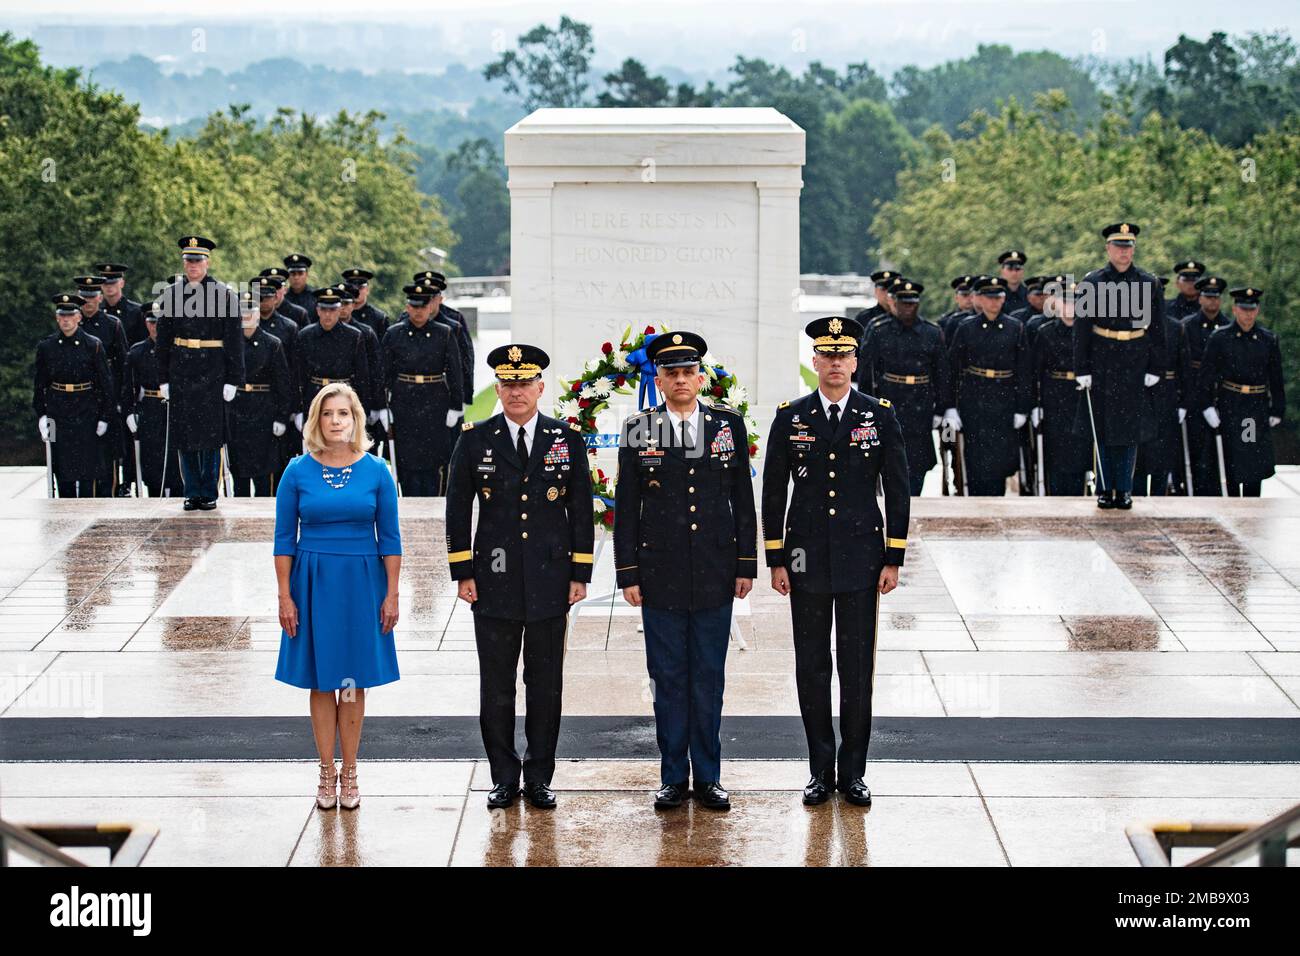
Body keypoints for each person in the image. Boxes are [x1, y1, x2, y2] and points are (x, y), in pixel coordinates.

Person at [762, 316, 910, 807]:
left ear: (855, 362)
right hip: (805, 559)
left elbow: (898, 488)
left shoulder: (879, 414)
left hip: (862, 559)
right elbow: (773, 489)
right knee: (812, 667)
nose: (835, 364)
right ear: (815, 361)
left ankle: (854, 772)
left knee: (856, 667)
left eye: (843, 356)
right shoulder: (792, 416)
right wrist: (776, 557)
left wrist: (894, 556)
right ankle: (819, 771)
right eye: (826, 356)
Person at [613, 330, 757, 812]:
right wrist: (628, 573)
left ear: (700, 377)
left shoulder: (726, 426)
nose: (679, 380)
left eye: (687, 372)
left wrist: (745, 565)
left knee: (709, 677)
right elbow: (627, 506)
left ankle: (710, 776)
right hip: (660, 574)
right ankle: (674, 776)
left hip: (715, 571)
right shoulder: (639, 428)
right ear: (658, 377)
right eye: (670, 372)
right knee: (668, 676)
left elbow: (743, 499)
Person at [446, 344, 594, 810]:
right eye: (507, 384)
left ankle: (539, 776)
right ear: (498, 388)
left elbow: (581, 510)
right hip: (494, 580)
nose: (515, 392)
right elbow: (457, 510)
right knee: (497, 684)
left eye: (524, 383)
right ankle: (504, 776)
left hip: (551, 580)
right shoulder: (474, 439)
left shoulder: (564, 438)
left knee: (546, 683)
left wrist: (580, 573)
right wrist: (462, 571)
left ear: (539, 388)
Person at [274, 383, 401, 811]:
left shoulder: (378, 471)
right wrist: (284, 596)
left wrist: (392, 595)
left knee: (351, 682)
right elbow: (283, 540)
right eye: (327, 414)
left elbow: (391, 540)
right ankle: (325, 771)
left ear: (356, 419)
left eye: (343, 413)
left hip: (362, 585)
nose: (335, 421)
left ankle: (351, 771)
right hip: (311, 584)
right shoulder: (296, 471)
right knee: (321, 679)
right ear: (316, 421)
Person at [1072, 221, 1166, 510]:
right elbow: (1082, 329)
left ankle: (1123, 488)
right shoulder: (1093, 282)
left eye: (1128, 247)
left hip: (1134, 359)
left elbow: (1159, 330)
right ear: (1108, 248)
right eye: (1118, 246)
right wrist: (1082, 369)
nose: (1123, 252)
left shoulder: (1148, 283)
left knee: (1128, 429)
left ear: (1133, 248)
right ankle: (1104, 488)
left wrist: (1155, 368)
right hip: (1102, 359)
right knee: (1102, 427)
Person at [154, 236, 244, 511]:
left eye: (197, 260)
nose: (193, 266)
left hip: (212, 371)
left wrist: (233, 380)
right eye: (188, 261)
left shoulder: (223, 294)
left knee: (210, 436)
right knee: (185, 434)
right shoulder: (172, 294)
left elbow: (234, 340)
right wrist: (163, 379)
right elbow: (163, 341)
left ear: (207, 262)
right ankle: (191, 490)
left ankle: (209, 491)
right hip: (182, 369)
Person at [942, 275, 1031, 495]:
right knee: (975, 457)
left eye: (998, 297)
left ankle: (995, 500)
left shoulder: (1015, 327)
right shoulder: (966, 327)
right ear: (979, 299)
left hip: (1004, 398)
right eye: (989, 298)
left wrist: (1023, 407)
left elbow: (1024, 371)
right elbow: (952, 369)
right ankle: (975, 502)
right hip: (975, 397)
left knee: (1000, 459)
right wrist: (950, 406)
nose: (994, 302)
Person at [857, 279, 948, 495]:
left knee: (918, 460)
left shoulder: (931, 332)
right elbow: (867, 372)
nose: (908, 307)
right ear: (894, 302)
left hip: (920, 402)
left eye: (912, 303)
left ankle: (913, 499)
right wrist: (866, 405)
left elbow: (942, 372)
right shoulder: (879, 329)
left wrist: (941, 408)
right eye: (904, 303)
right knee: (889, 456)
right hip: (890, 399)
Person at [1196, 287, 1285, 497]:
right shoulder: (1221, 337)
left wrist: (1277, 409)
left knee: (1251, 455)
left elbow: (1276, 377)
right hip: (1230, 404)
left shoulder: (1267, 339)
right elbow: (1206, 376)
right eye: (1243, 309)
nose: (1248, 314)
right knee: (1231, 458)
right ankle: (1233, 504)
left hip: (1253, 407)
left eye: (1252, 310)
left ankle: (1252, 503)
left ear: (1257, 310)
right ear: (1235, 309)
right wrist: (1207, 405)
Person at [380, 283, 464, 495]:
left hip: (435, 401)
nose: (418, 311)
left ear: (430, 307)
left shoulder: (444, 333)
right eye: (414, 306)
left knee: (435, 459)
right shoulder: (394, 334)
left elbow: (455, 371)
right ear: (407, 307)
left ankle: (435, 501)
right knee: (406, 460)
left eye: (422, 306)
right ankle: (409, 501)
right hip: (404, 401)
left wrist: (456, 406)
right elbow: (385, 373)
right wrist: (383, 406)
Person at [33, 293, 113, 497]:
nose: (66, 320)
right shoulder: (47, 347)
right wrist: (41, 414)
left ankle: (86, 510)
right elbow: (40, 383)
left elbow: (105, 384)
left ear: (78, 317)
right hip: (59, 409)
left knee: (87, 468)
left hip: (86, 409)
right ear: (57, 318)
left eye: (70, 316)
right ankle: (65, 510)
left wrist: (104, 416)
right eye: (62, 316)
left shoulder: (92, 345)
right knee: (62, 467)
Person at [1030, 280, 1094, 495]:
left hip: (1079, 395)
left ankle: (1078, 494)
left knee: (1079, 452)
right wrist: (1035, 404)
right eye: (1066, 301)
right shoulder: (1045, 332)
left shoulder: (1089, 332)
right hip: (1054, 396)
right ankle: (1055, 495)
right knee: (1056, 452)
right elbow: (1035, 371)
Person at [228, 292, 292, 496]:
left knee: (264, 476)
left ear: (257, 315)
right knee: (239, 474)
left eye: (251, 312)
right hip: (236, 409)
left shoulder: (272, 344)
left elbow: (282, 384)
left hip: (263, 411)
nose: (247, 317)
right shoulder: (228, 344)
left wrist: (282, 417)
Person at [72, 274, 129, 496]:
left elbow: (123, 364)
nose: (88, 302)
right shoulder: (74, 324)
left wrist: (121, 399)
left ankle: (110, 494)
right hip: (82, 396)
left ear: (99, 298)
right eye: (84, 298)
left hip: (107, 393)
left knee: (108, 453)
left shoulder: (112, 324)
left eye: (92, 297)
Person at [122, 301, 181, 497]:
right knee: (152, 462)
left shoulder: (178, 349)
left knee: (176, 460)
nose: (156, 327)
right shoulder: (137, 352)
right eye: (152, 322)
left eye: (159, 322)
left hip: (175, 408)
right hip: (149, 408)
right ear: (147, 324)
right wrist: (130, 412)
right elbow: (129, 386)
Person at [292, 287, 370, 433]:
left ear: (339, 310)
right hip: (314, 395)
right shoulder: (305, 336)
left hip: (344, 395)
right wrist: (297, 409)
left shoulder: (353, 336)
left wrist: (362, 409)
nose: (328, 314)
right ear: (318, 310)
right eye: (324, 309)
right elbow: (298, 375)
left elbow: (362, 376)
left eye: (332, 310)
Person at [1181, 275, 1232, 495]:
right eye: (1207, 297)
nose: (1212, 302)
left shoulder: (1228, 326)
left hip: (1220, 394)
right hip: (1193, 393)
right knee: (1196, 448)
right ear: (1200, 299)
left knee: (1219, 450)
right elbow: (1183, 364)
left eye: (1215, 297)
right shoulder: (1187, 326)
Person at [282, 253, 317, 318]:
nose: (296, 277)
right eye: (293, 274)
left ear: (306, 274)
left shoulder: (315, 297)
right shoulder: (283, 297)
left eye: (300, 274)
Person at [997, 249, 1030, 315]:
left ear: (1022, 271)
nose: (1014, 273)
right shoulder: (996, 295)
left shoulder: (1029, 295)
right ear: (1002, 271)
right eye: (1010, 269)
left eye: (1017, 269)